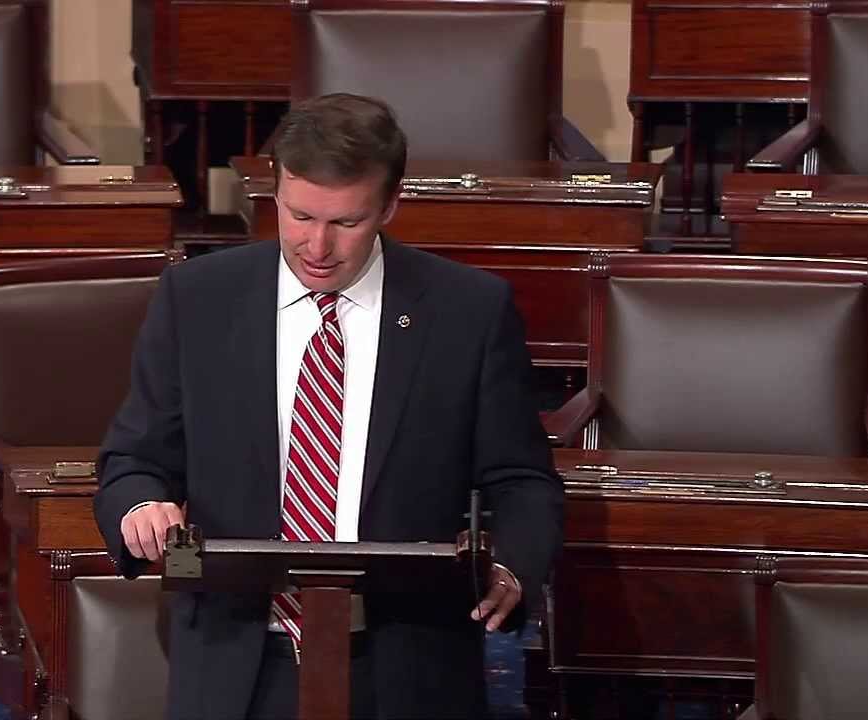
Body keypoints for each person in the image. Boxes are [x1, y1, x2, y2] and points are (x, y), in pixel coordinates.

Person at [95, 92, 563, 719]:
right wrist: (139, 506)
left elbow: (523, 480)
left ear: (390, 206)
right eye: (299, 216)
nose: (316, 245)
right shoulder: (199, 299)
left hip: (405, 659)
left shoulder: (467, 313)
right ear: (276, 194)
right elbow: (133, 458)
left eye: (345, 223)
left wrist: (513, 565)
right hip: (234, 652)